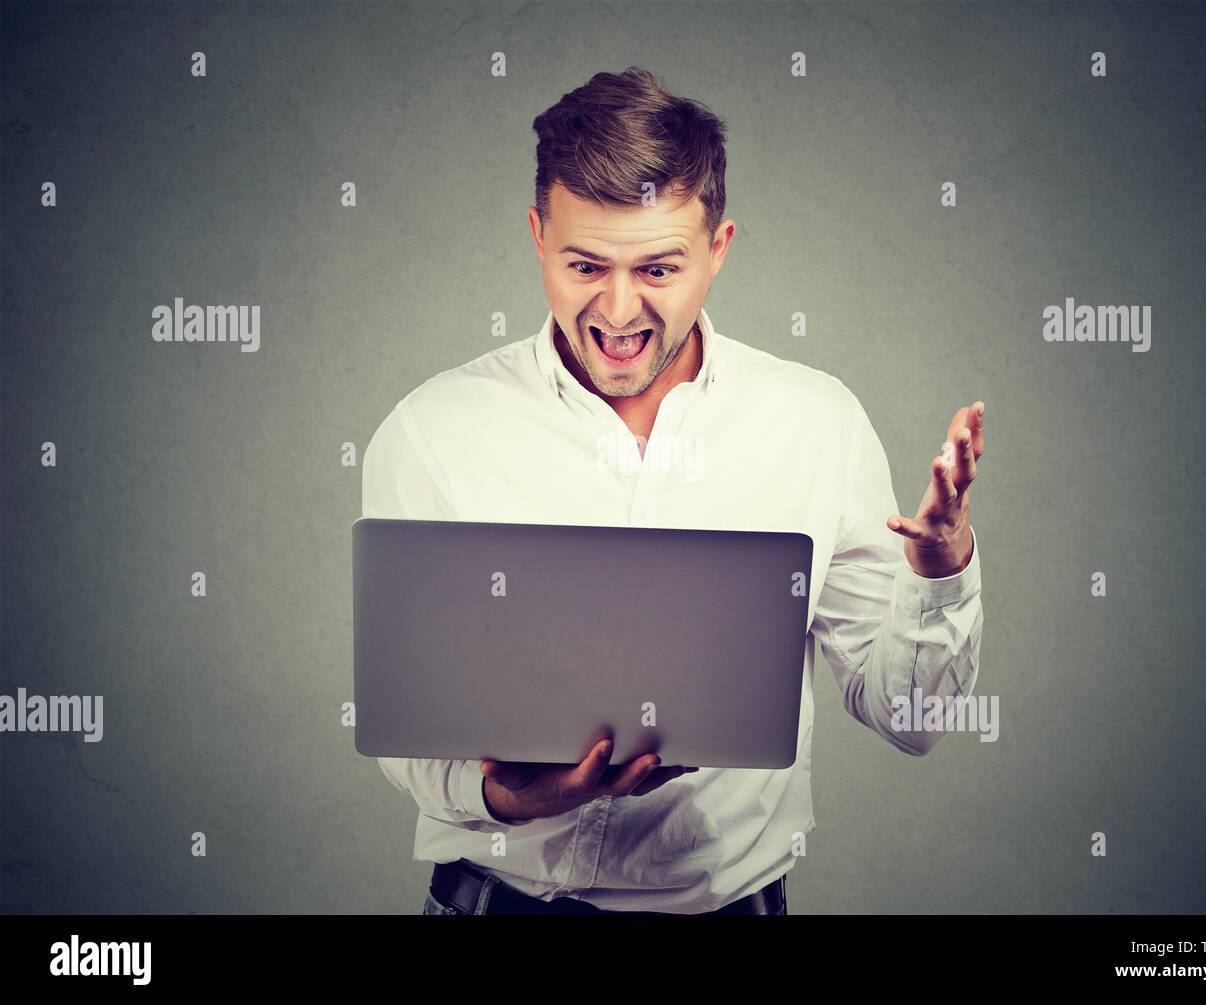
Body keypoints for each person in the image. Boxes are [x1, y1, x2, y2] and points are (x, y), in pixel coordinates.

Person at [361, 67, 986, 916]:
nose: (619, 311)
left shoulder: (817, 423)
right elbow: (410, 731)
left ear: (718, 248)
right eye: (585, 264)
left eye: (658, 268)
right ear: (538, 238)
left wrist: (941, 571)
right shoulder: (431, 431)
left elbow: (911, 718)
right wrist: (511, 799)